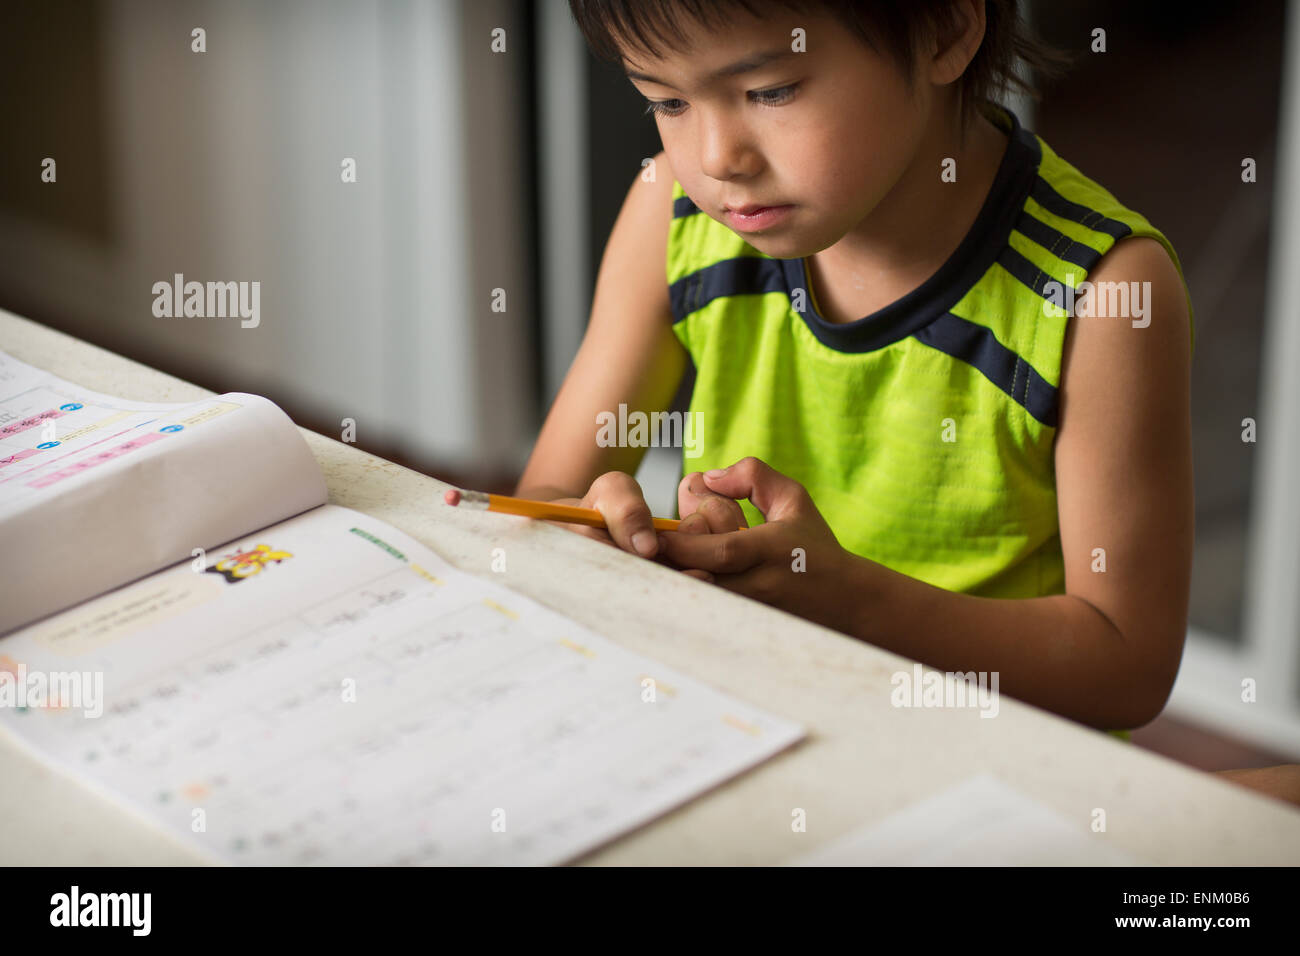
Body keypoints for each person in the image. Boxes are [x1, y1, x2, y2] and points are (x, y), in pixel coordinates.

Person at [517, 0, 1195, 736]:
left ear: (945, 29)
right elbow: (544, 498)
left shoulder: (1100, 292)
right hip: (746, 731)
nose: (717, 159)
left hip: (983, 772)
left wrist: (846, 599)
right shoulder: (671, 213)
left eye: (770, 91)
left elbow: (1125, 669)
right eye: (667, 101)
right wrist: (596, 533)